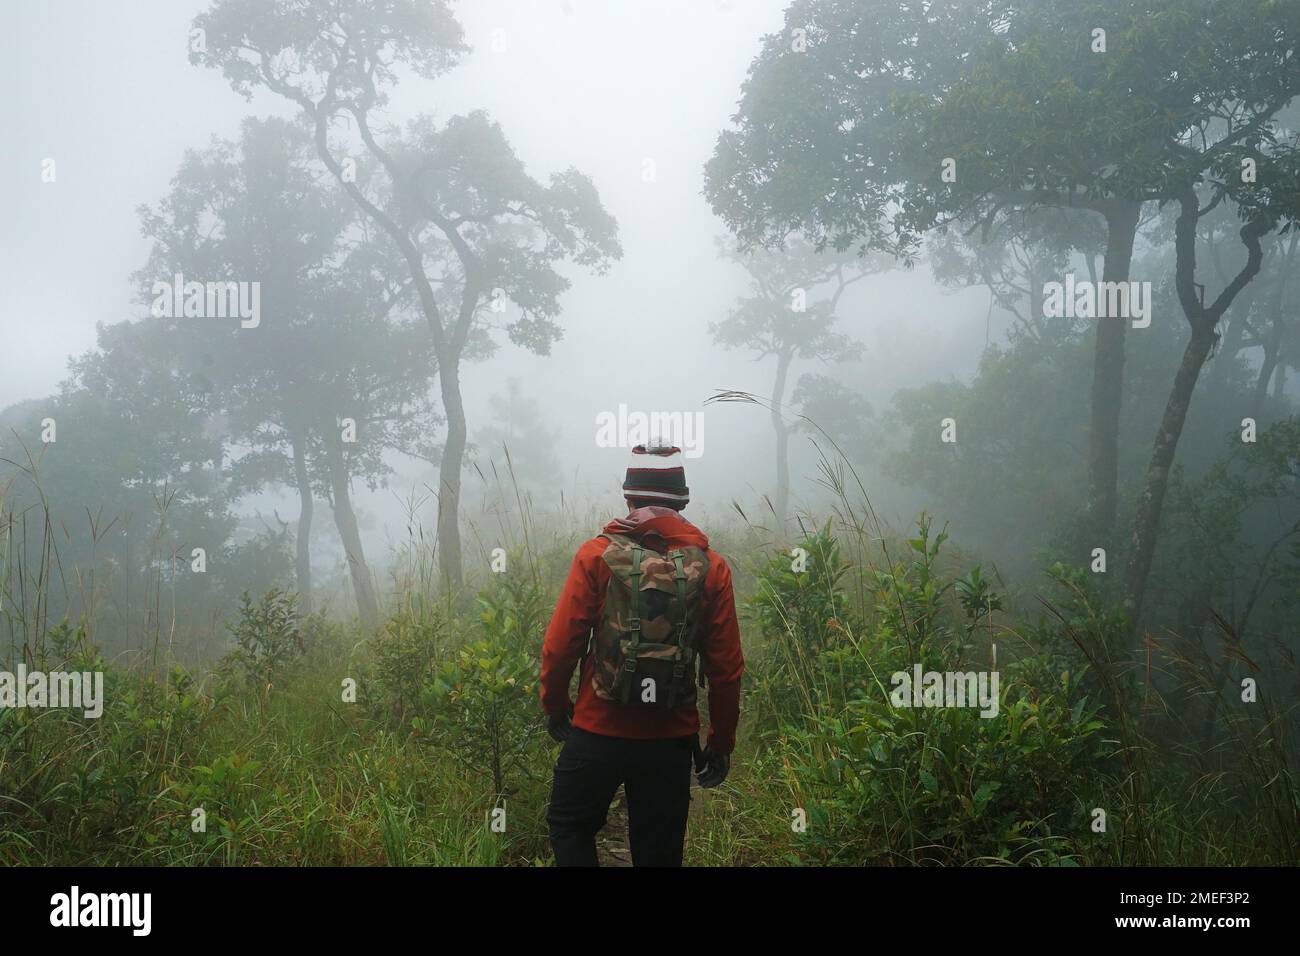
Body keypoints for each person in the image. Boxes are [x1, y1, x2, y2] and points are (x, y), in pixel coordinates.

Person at [539, 444, 744, 866]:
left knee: (570, 824)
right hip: (670, 740)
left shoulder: (596, 555)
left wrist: (556, 707)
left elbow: (561, 647)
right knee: (658, 851)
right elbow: (726, 670)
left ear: (629, 499)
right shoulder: (712, 567)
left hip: (597, 730)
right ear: (683, 502)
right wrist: (720, 743)